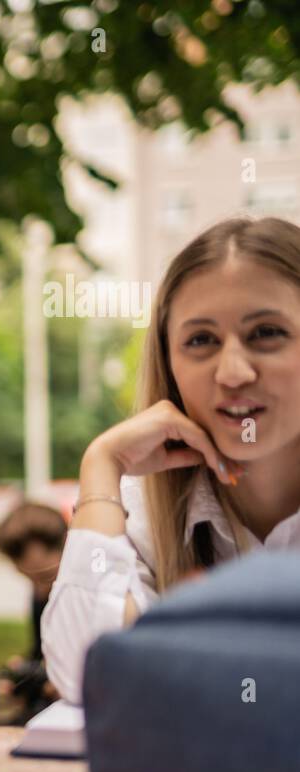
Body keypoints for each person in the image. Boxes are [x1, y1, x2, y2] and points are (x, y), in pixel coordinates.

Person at [43, 216, 300, 704]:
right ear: (170, 362)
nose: (233, 372)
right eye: (201, 340)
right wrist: (101, 465)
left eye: (266, 332)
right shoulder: (142, 508)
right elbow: (87, 675)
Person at [0, 502, 65, 722]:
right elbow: (40, 653)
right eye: (29, 579)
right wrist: (21, 677)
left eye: (45, 577)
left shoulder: (92, 596)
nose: (41, 590)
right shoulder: (39, 593)